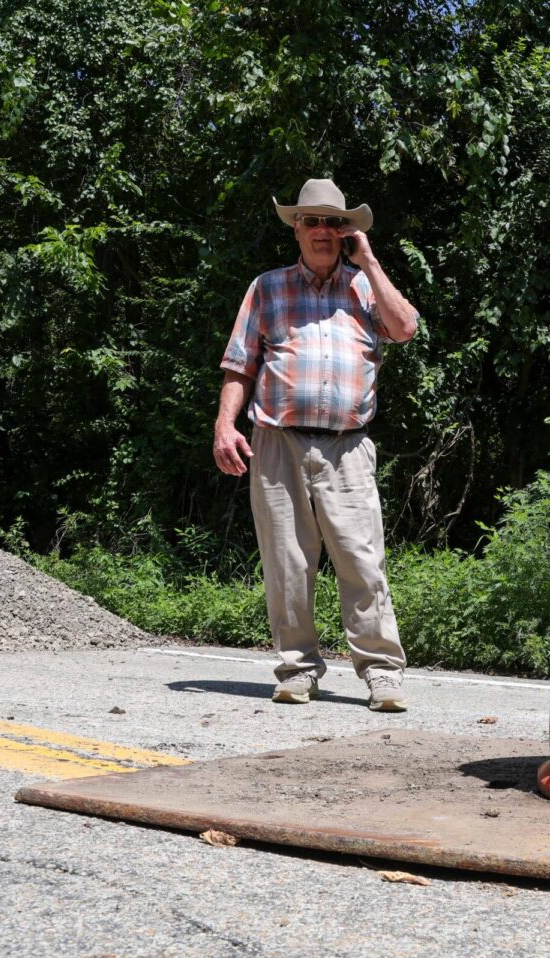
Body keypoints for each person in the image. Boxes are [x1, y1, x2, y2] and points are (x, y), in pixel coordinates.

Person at [212, 178, 419, 712]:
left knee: (362, 561)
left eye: (333, 221)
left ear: (346, 230)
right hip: (276, 441)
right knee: (287, 563)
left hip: (348, 446)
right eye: (312, 221)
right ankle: (297, 670)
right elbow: (240, 364)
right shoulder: (268, 287)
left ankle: (382, 675)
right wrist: (224, 425)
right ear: (296, 229)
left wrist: (369, 261)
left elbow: (405, 329)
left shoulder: (366, 287)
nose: (322, 230)